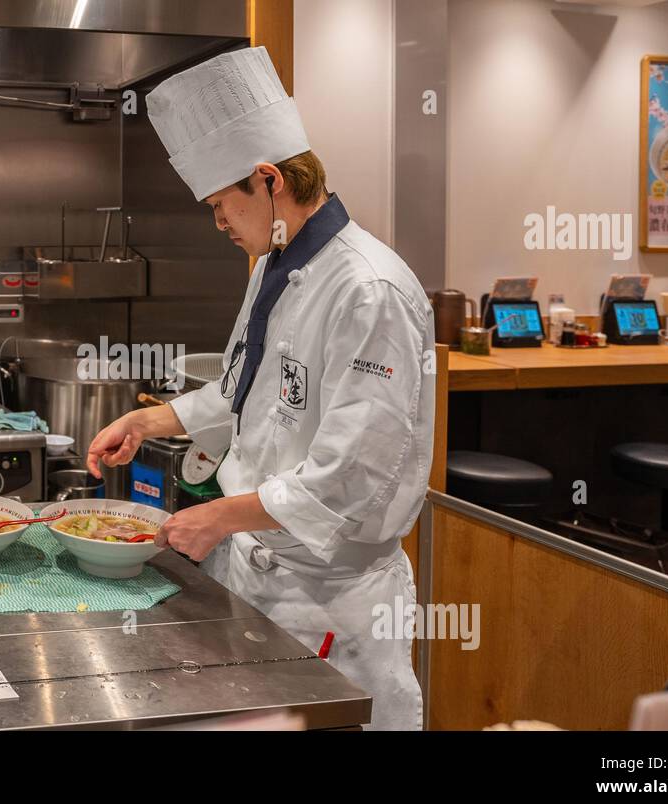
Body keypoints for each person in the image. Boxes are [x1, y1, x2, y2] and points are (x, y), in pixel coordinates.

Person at [86, 48, 434, 730]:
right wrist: (149, 423)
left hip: (333, 601)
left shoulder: (371, 290)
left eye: (222, 204)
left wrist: (218, 516)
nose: (218, 222)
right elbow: (248, 398)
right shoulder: (272, 266)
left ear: (269, 178)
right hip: (256, 580)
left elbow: (351, 475)